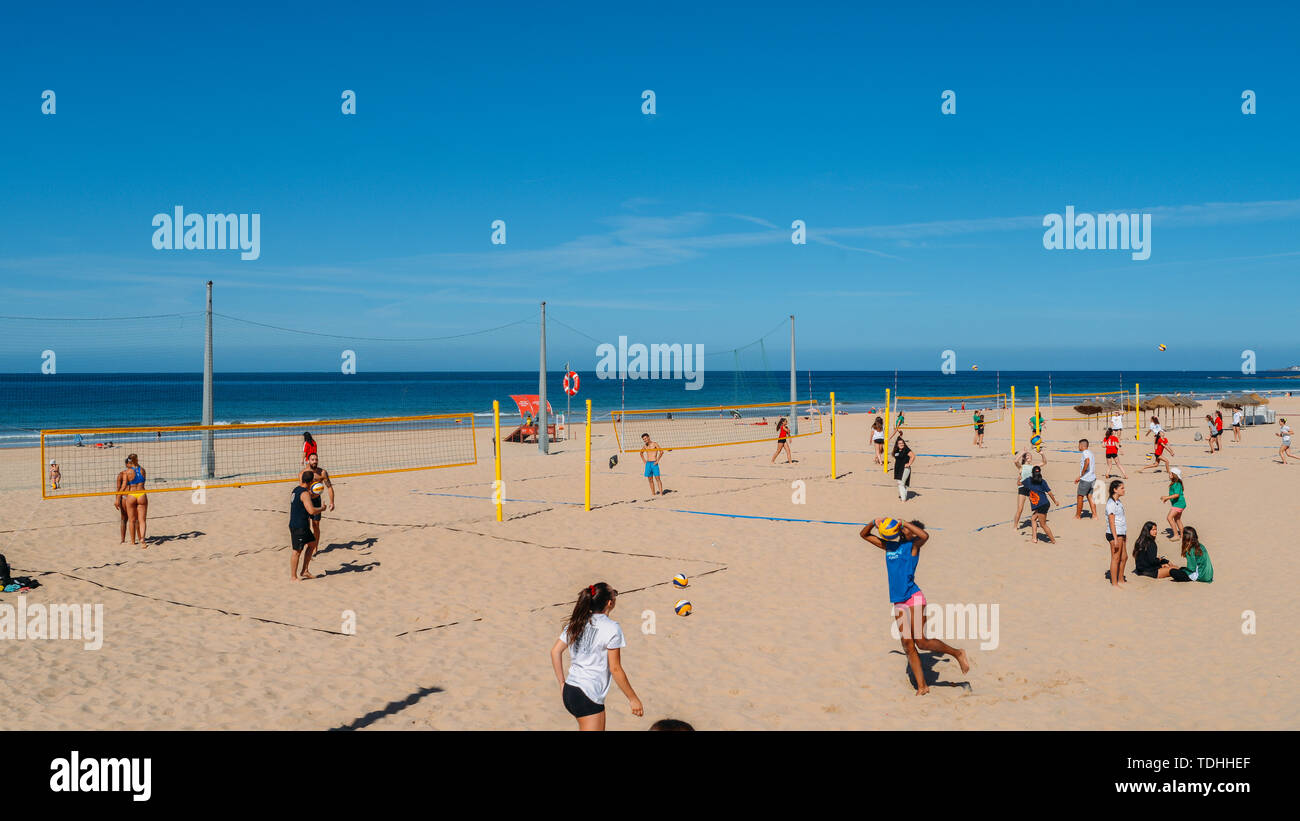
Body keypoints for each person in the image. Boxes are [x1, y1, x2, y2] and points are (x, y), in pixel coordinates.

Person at [859, 518, 971, 695]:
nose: (904, 532)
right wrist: (874, 522)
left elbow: (924, 535)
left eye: (907, 531)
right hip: (898, 601)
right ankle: (922, 687)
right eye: (902, 530)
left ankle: (957, 653)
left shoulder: (912, 547)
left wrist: (904, 523)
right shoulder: (890, 546)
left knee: (922, 642)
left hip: (913, 597)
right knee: (907, 644)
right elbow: (863, 535)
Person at [549, 582, 643, 730]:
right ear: (610, 603)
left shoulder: (577, 621)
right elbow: (615, 668)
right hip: (588, 694)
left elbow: (555, 651)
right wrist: (633, 698)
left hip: (570, 689)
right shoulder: (612, 627)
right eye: (615, 593)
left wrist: (562, 683)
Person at [288, 469, 322, 581]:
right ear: (311, 482)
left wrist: (310, 495)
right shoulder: (304, 493)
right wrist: (322, 508)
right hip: (299, 526)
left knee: (312, 544)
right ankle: (293, 577)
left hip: (297, 524)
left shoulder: (296, 489)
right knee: (297, 551)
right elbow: (311, 511)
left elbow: (301, 503)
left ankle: (305, 570)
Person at [305, 453, 335, 564]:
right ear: (308, 461)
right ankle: (308, 545)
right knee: (306, 525)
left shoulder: (322, 473)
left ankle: (315, 547)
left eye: (316, 459)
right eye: (312, 459)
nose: (314, 461)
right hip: (307, 500)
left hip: (317, 500)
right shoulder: (304, 473)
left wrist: (332, 502)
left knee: (316, 525)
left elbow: (329, 487)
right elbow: (301, 488)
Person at [1021, 465, 1058, 544]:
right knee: (1033, 519)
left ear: (1032, 473)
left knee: (1043, 524)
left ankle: (1053, 541)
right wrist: (1055, 501)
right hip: (1045, 503)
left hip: (1041, 505)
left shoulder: (1028, 480)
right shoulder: (1042, 481)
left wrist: (1020, 474)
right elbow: (1049, 492)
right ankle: (1034, 538)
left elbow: (1018, 483)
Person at [117, 453, 149, 547]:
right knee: (142, 520)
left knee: (132, 520)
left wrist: (118, 498)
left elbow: (123, 487)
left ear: (129, 462)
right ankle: (142, 540)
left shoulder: (127, 472)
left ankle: (132, 541)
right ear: (137, 460)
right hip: (141, 494)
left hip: (131, 495)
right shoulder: (143, 470)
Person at [1012, 447, 1047, 529]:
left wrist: (1042, 454)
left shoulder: (1033, 466)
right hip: (1023, 488)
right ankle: (1015, 526)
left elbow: (1044, 462)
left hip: (1032, 488)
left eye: (1030, 455)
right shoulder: (1022, 467)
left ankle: (1034, 518)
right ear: (1024, 458)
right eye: (1028, 455)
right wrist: (1022, 452)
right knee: (1020, 509)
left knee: (1038, 507)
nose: (1030, 456)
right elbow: (1015, 461)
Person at [1103, 480, 1127, 588]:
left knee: (1124, 557)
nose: (1124, 490)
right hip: (1114, 534)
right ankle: (1114, 583)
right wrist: (1115, 538)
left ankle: (1121, 579)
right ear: (1115, 490)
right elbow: (1112, 522)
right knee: (1115, 558)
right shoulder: (1111, 504)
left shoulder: (1118, 501)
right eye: (1122, 488)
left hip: (1121, 533)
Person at [1161, 466, 1187, 541]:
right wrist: (1167, 498)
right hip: (1179, 504)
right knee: (1177, 519)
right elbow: (1173, 494)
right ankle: (1182, 535)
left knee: (1169, 518)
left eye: (1170, 474)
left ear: (1174, 475)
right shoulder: (1174, 483)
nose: (1169, 475)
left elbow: (1177, 495)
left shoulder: (1177, 484)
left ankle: (1176, 535)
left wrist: (1167, 497)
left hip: (1178, 504)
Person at [1074, 438, 1097, 519]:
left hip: (1086, 479)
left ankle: (1078, 515)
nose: (1078, 447)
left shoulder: (1085, 452)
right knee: (1090, 496)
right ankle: (1094, 515)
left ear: (1081, 445)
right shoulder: (1090, 452)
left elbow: (1087, 461)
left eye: (1078, 445)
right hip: (1093, 478)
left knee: (1080, 496)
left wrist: (1082, 474)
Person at [892, 432, 917, 502]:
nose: (901, 444)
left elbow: (913, 456)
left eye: (902, 443)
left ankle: (903, 499)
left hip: (905, 469)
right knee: (902, 484)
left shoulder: (906, 449)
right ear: (897, 444)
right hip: (898, 469)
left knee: (901, 483)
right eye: (900, 443)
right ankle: (904, 496)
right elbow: (898, 438)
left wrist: (909, 464)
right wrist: (900, 434)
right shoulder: (896, 450)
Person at [113, 457, 132, 544]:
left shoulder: (122, 474)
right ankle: (124, 539)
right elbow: (118, 488)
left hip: (129, 497)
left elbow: (118, 488)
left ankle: (127, 540)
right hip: (127, 497)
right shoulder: (136, 473)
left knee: (129, 519)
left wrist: (117, 499)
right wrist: (117, 500)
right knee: (126, 519)